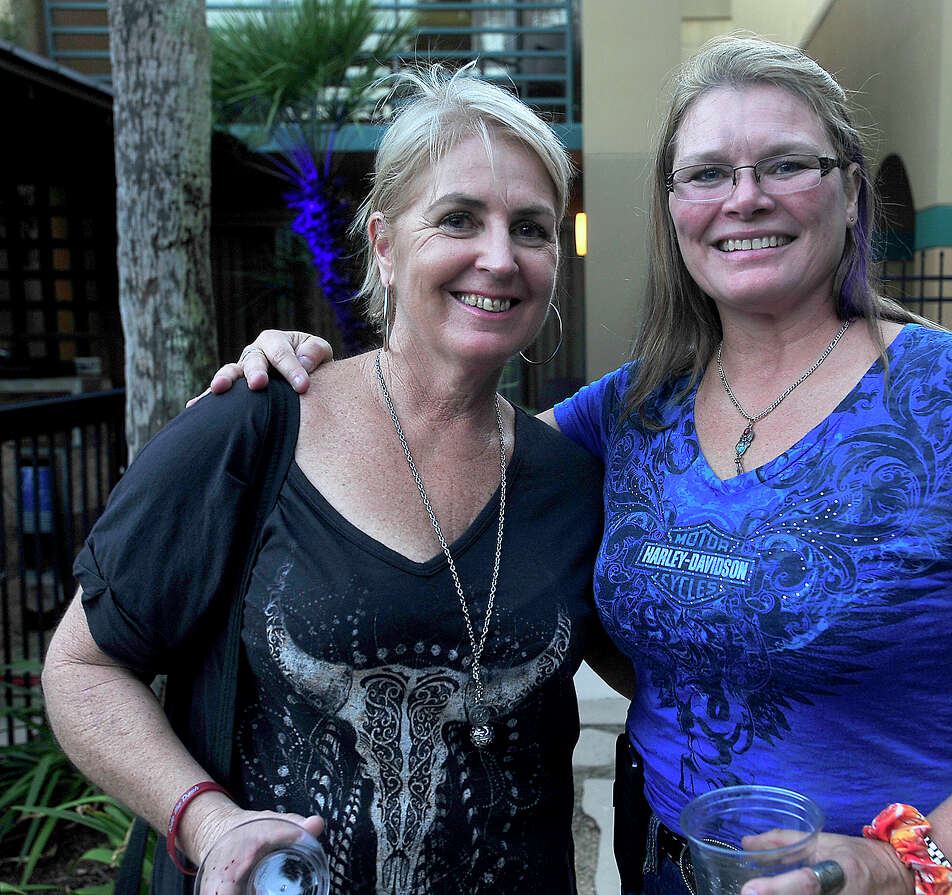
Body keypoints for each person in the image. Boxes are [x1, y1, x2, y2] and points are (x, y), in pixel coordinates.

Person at [204, 35, 952, 895]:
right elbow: (437, 454)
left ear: (851, 189)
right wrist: (315, 376)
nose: (743, 197)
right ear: (673, 210)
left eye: (786, 164)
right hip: (659, 860)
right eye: (706, 174)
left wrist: (909, 865)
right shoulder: (625, 411)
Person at [42, 67, 628, 895]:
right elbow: (83, 668)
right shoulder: (253, 426)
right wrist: (211, 823)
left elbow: (685, 665)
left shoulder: (573, 481)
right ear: (385, 246)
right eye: (459, 218)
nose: (499, 258)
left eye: (530, 228)